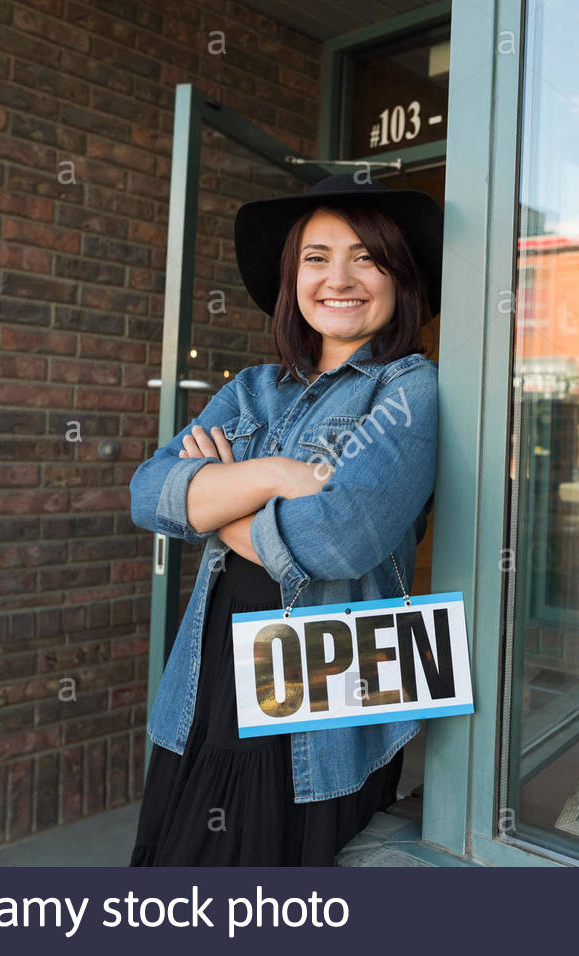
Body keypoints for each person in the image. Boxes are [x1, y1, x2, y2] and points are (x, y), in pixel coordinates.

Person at [127, 173, 443, 866]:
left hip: (330, 671)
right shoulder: (253, 389)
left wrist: (215, 504)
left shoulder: (410, 387)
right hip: (216, 663)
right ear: (292, 279)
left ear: (399, 276)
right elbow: (149, 494)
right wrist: (275, 476)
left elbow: (335, 538)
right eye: (317, 257)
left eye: (367, 256)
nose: (341, 277)